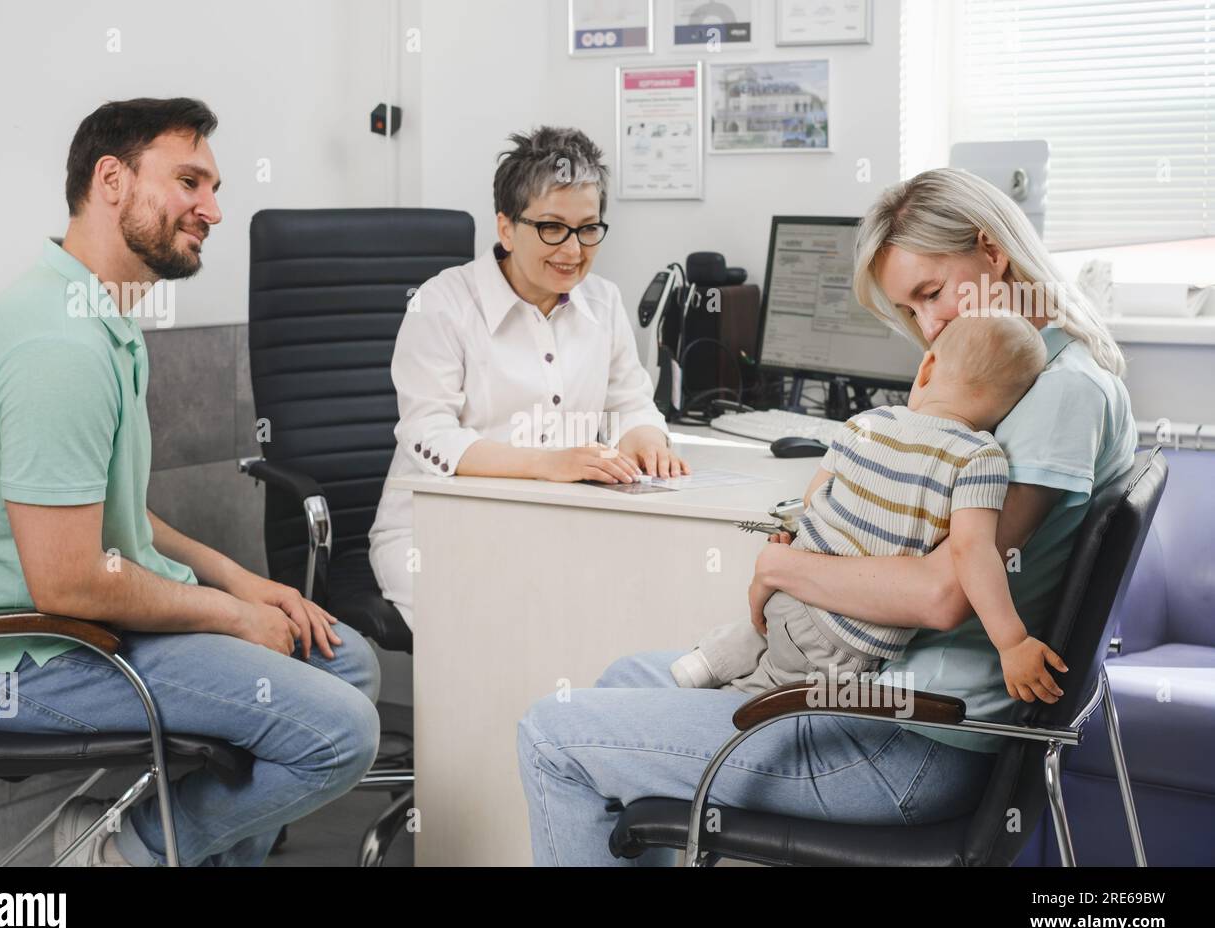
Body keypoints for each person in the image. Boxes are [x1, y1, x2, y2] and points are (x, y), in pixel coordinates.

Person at [516, 167, 1135, 866]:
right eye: (910, 313)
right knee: (630, 677)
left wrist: (785, 566)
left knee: (551, 735)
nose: (929, 329)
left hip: (908, 742)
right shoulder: (1026, 385)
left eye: (931, 294)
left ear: (992, 252)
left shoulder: (1061, 395)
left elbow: (942, 592)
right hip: (891, 711)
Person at [0, 98, 381, 866]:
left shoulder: (98, 319)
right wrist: (230, 618)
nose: (215, 209)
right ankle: (121, 850)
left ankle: (201, 855)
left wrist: (236, 580)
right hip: (32, 660)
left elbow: (108, 515)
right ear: (111, 180)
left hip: (86, 629)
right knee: (341, 731)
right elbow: (67, 580)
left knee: (347, 659)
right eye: (190, 181)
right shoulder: (57, 348)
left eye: (216, 186)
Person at [369, 126, 688, 630]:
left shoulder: (603, 302)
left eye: (588, 229)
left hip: (556, 522)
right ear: (505, 228)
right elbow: (427, 434)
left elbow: (630, 401)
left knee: (648, 600)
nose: (574, 249)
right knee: (517, 623)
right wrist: (548, 464)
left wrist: (648, 439)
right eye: (552, 228)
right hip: (437, 530)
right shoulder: (443, 303)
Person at [672, 312, 1068, 704]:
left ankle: (708, 661)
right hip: (842, 637)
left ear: (927, 367)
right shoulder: (979, 457)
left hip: (789, 596)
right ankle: (716, 705)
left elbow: (814, 498)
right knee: (766, 694)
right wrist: (1012, 642)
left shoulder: (865, 423)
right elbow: (972, 551)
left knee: (772, 629)